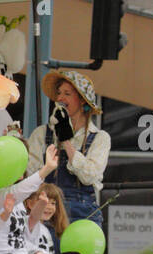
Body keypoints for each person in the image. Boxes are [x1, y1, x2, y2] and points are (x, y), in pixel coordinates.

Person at [26, 70, 111, 225]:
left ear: (83, 100)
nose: (60, 98)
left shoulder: (100, 137)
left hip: (83, 215)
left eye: (67, 94)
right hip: (47, 213)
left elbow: (89, 176)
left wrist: (65, 140)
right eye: (58, 93)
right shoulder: (42, 133)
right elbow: (30, 174)